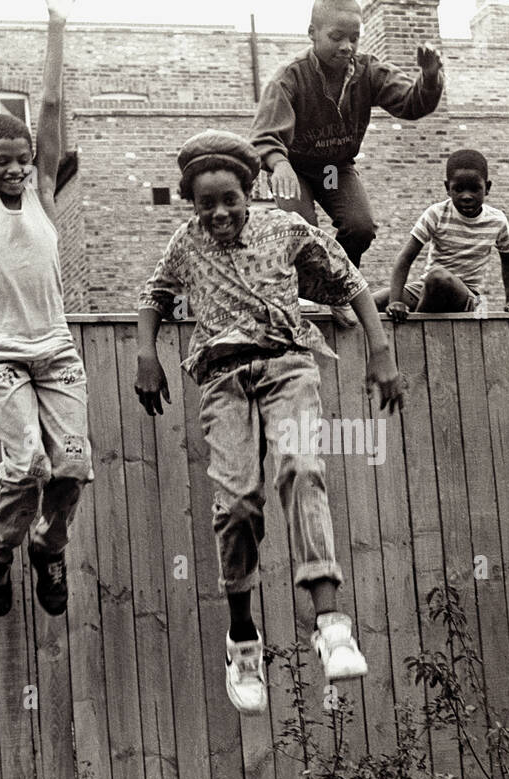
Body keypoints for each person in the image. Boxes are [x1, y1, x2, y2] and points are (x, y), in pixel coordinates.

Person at [134, 130, 405, 716]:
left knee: (302, 468)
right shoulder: (185, 243)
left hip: (288, 366)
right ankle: (243, 641)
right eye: (206, 204)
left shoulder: (285, 229)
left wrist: (380, 349)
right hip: (222, 380)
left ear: (249, 191)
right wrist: (145, 354)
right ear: (191, 204)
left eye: (229, 199)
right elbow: (154, 295)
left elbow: (351, 281)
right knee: (237, 503)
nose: (220, 213)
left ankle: (331, 623)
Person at [0, 0, 90, 618]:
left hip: (54, 349)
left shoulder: (45, 193)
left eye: (22, 158)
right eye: (1, 160)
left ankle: (46, 547)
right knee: (27, 464)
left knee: (73, 468)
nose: (15, 168)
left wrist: (56, 25)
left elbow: (51, 108)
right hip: (0, 353)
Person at [252, 0, 444, 322]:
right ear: (312, 34)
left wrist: (428, 78)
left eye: (354, 38)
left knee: (360, 226)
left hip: (333, 169)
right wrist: (278, 162)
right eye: (336, 37)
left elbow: (410, 103)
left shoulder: (368, 71)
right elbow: (265, 134)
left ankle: (341, 285)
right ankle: (295, 290)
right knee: (302, 230)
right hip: (295, 167)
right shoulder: (289, 78)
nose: (346, 47)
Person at [375, 149, 509, 321]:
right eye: (458, 189)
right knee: (373, 301)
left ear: (487, 188)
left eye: (474, 189)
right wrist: (394, 302)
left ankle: (415, 326)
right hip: (426, 288)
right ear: (447, 189)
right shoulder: (436, 214)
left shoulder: (497, 220)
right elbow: (405, 258)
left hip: (465, 294)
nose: (466, 196)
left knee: (438, 277)